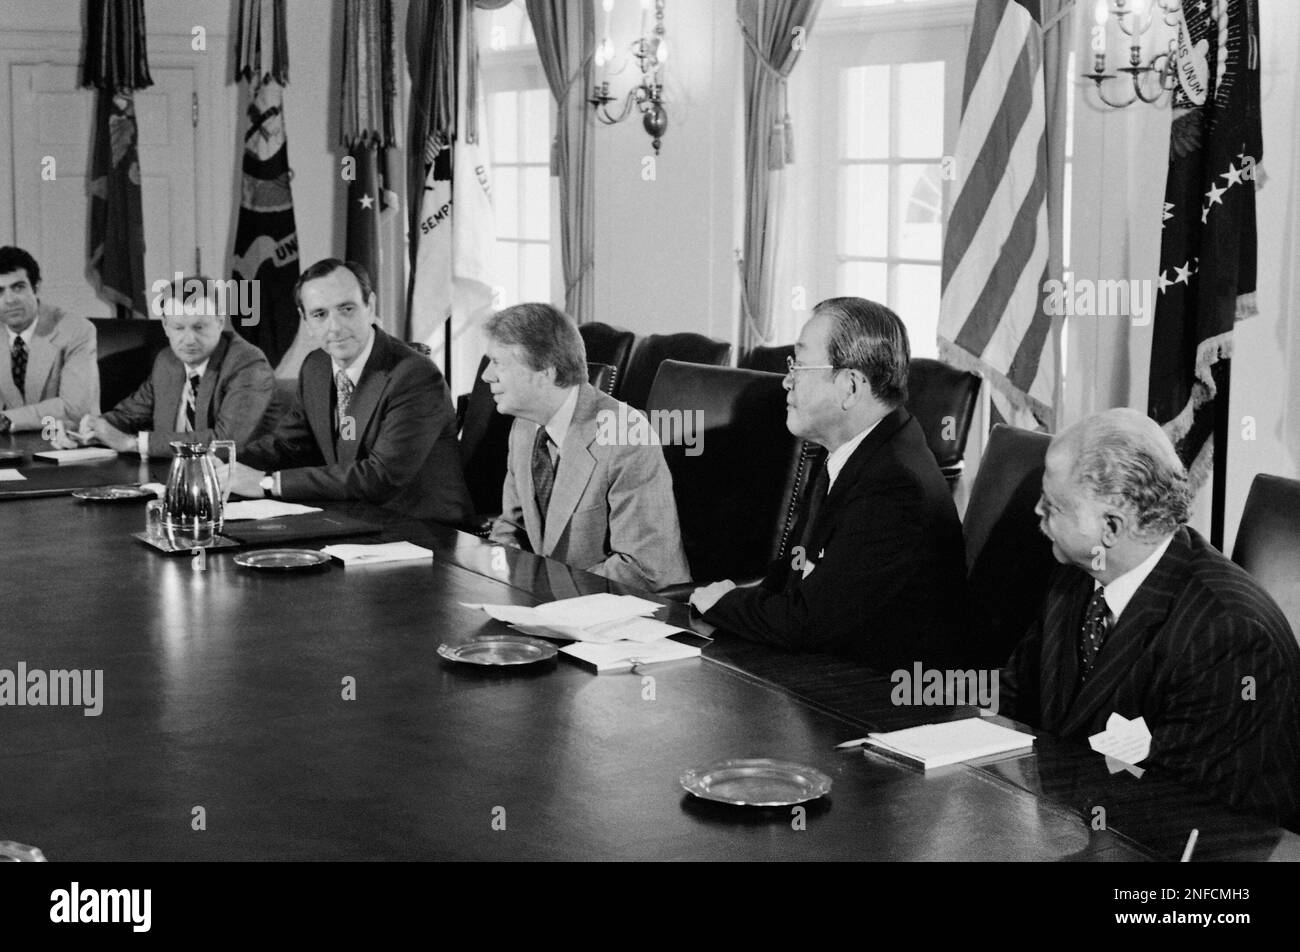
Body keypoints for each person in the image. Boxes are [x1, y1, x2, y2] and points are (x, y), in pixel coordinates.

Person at [1000, 408, 1300, 825]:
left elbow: (1177, 809)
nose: (1037, 512)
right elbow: (1015, 697)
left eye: (1052, 505)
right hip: (1082, 824)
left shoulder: (1227, 636)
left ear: (1111, 527)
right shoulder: (1077, 576)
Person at [690, 297, 967, 671]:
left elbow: (806, 622)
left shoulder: (895, 485)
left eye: (800, 366)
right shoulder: (859, 448)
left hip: (881, 699)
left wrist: (723, 603)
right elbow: (790, 577)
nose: (787, 381)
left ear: (850, 387)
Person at [229, 258, 473, 525]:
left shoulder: (414, 375)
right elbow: (289, 445)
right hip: (351, 521)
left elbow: (380, 477)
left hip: (424, 531)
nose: (335, 327)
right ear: (306, 321)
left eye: (346, 309)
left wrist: (268, 483)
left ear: (370, 307)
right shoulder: (316, 366)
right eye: (320, 314)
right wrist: (215, 464)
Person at [486, 302, 690, 592]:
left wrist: (547, 590)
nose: (487, 377)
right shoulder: (525, 426)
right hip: (553, 605)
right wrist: (503, 575)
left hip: (628, 612)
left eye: (498, 363)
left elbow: (644, 568)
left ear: (545, 372)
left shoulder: (624, 435)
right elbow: (512, 527)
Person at [79, 276, 276, 456]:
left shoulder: (247, 363)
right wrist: (92, 428)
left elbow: (225, 443)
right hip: (169, 477)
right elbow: (129, 415)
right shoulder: (167, 361)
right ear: (165, 326)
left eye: (199, 327)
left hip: (233, 483)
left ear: (219, 322)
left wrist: (133, 443)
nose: (189, 339)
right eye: (179, 328)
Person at [0, 246, 98, 433]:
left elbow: (74, 408)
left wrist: (8, 418)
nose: (9, 300)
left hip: (67, 443)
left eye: (18, 287)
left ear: (36, 287)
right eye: (0, 292)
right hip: (8, 447)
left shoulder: (76, 330)